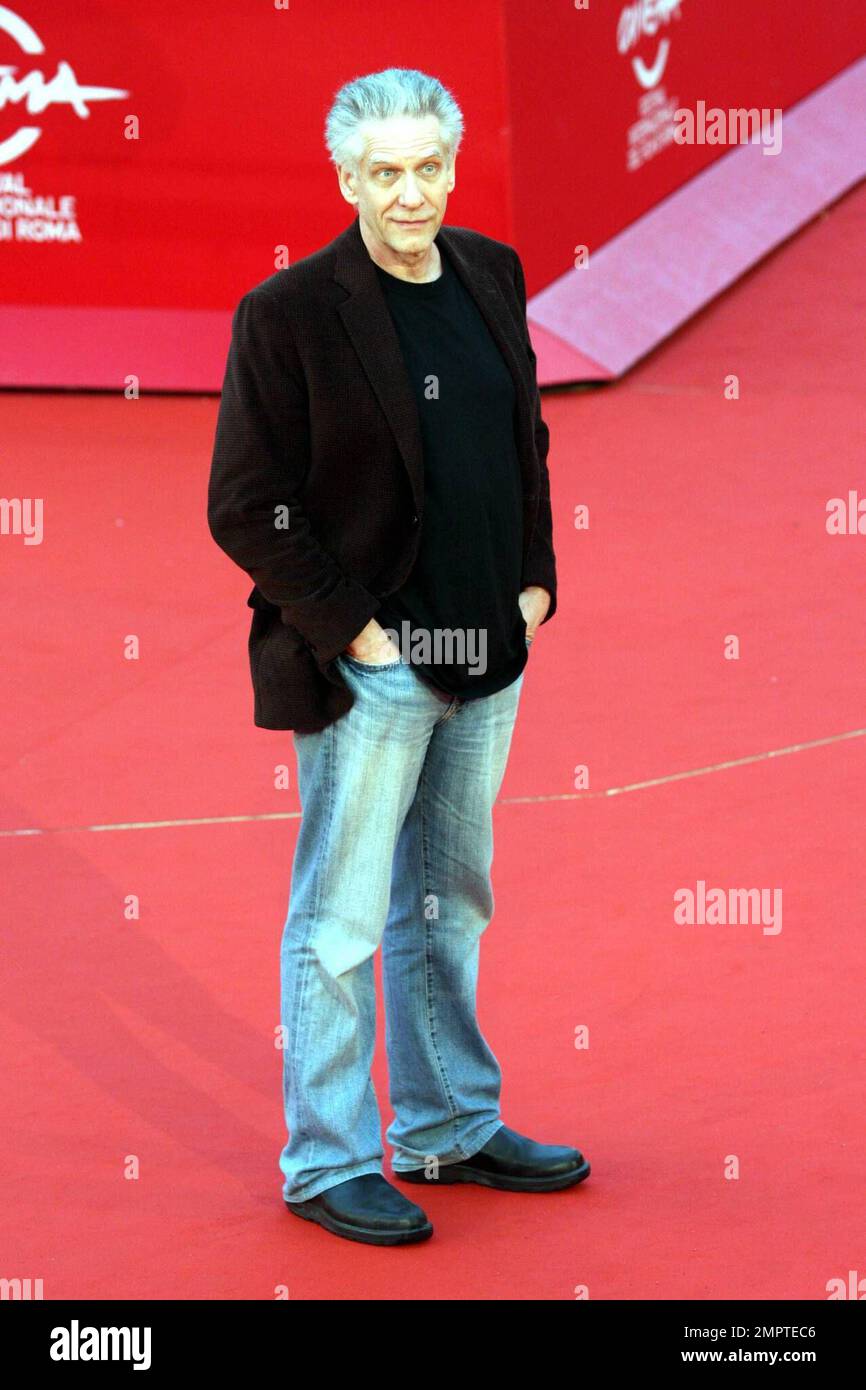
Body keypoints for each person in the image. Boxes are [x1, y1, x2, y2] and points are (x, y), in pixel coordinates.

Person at [208, 66, 590, 1246]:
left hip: (487, 651)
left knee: (450, 901)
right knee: (339, 924)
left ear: (452, 166)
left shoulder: (488, 271)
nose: (410, 191)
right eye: (384, 172)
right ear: (344, 178)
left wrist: (532, 584)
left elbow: (520, 433)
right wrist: (357, 630)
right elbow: (247, 502)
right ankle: (327, 1160)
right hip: (376, 667)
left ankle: (446, 1126)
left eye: (428, 166)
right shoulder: (288, 315)